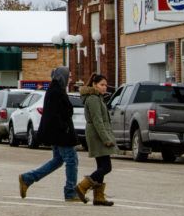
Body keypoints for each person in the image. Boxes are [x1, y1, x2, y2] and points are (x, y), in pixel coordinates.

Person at [18, 66, 85, 203]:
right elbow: (55, 114)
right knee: (72, 160)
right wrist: (64, 128)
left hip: (57, 133)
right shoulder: (56, 91)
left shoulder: (56, 89)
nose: (70, 80)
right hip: (61, 134)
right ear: (62, 76)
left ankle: (28, 178)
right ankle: (70, 192)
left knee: (58, 160)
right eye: (69, 76)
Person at [75, 74, 114, 206]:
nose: (104, 88)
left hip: (98, 134)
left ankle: (98, 197)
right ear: (94, 85)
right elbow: (98, 121)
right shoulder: (93, 99)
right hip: (97, 135)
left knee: (102, 166)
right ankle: (82, 186)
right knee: (106, 167)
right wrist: (106, 138)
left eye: (105, 85)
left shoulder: (97, 98)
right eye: (101, 85)